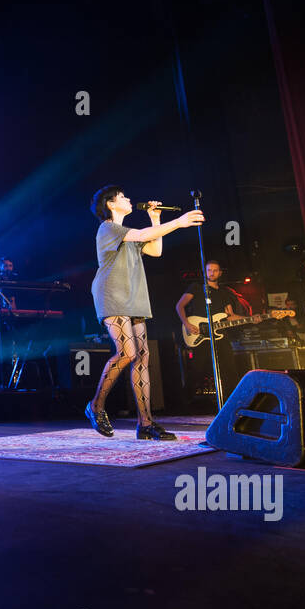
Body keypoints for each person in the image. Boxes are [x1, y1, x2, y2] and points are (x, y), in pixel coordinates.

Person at [85, 185, 205, 439]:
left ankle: (146, 424)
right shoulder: (108, 228)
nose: (129, 199)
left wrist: (156, 218)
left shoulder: (128, 233)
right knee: (127, 353)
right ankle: (95, 405)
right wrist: (180, 222)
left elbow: (155, 249)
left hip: (134, 295)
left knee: (141, 357)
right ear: (110, 204)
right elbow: (141, 236)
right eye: (123, 197)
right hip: (113, 293)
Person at [175, 260, 243, 404]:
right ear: (205, 272)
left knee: (229, 367)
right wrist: (186, 323)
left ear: (220, 273)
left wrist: (251, 318)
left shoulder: (224, 292)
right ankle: (183, 402)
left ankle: (231, 401)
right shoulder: (196, 287)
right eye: (209, 270)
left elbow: (230, 315)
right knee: (197, 369)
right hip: (200, 333)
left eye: (215, 270)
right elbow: (179, 305)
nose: (212, 273)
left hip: (219, 334)